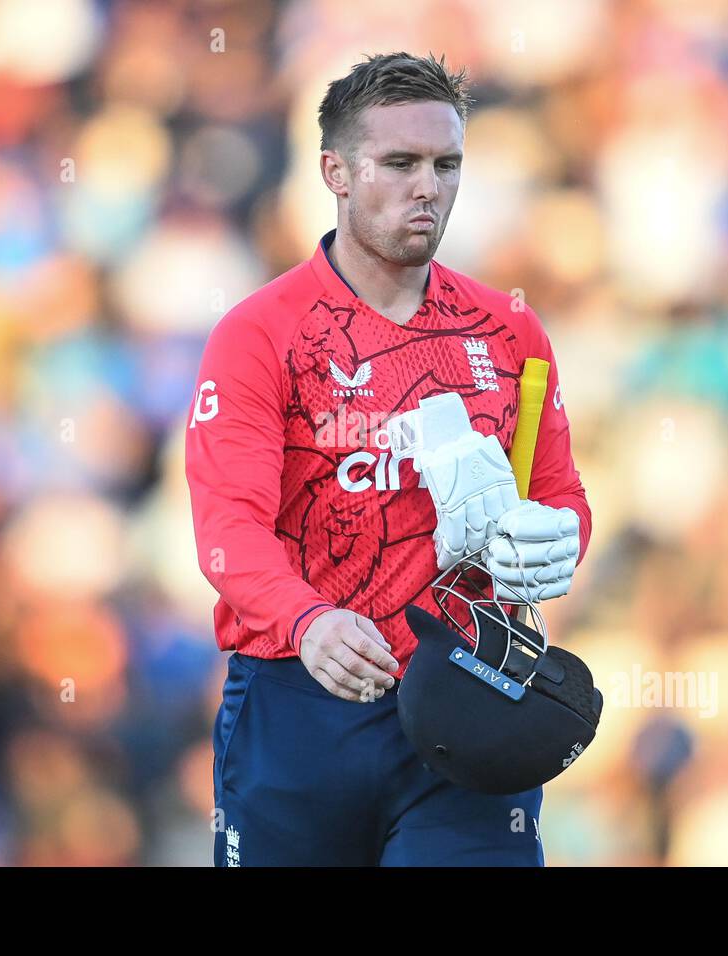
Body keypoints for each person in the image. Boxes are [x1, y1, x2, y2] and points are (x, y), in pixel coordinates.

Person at [184, 51, 592, 866]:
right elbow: (228, 526)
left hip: (468, 694)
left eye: (446, 165)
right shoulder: (261, 333)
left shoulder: (511, 332)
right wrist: (307, 621)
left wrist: (556, 542)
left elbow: (557, 494)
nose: (427, 187)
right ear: (335, 171)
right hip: (303, 701)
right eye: (399, 163)